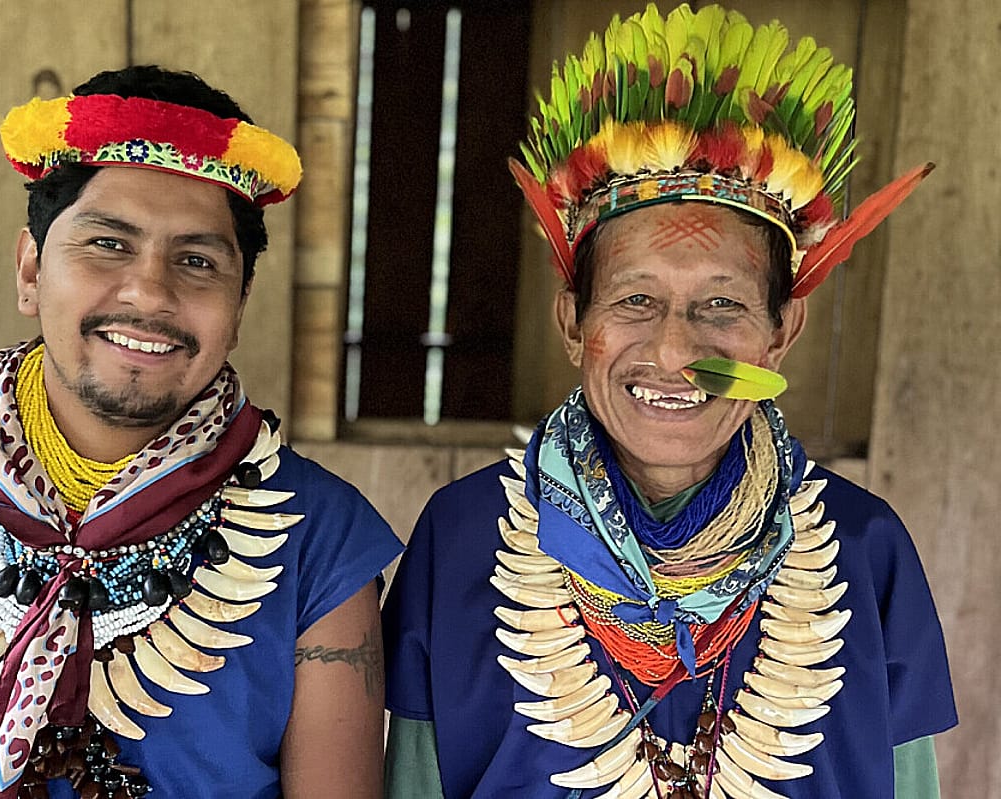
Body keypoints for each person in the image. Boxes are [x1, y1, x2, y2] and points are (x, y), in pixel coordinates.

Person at [382, 5, 955, 798]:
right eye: (635, 301)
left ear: (781, 330)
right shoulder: (464, 538)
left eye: (722, 306)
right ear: (572, 323)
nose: (676, 352)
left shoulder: (863, 551)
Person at [0, 65, 402, 799]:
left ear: (240, 305)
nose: (150, 290)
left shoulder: (319, 539)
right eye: (108, 244)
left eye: (197, 260)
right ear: (30, 270)